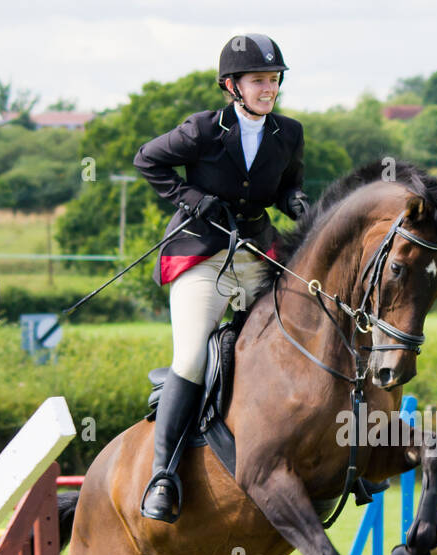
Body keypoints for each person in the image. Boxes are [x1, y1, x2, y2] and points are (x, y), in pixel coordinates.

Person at [133, 33, 309, 523]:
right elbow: (147, 159)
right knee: (191, 356)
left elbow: (289, 184)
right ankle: (162, 474)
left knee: (296, 342)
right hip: (202, 255)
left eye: (274, 80)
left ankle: (334, 459)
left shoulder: (288, 132)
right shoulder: (202, 131)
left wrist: (294, 202)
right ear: (232, 85)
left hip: (256, 253)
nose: (269, 89)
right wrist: (191, 198)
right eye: (259, 81)